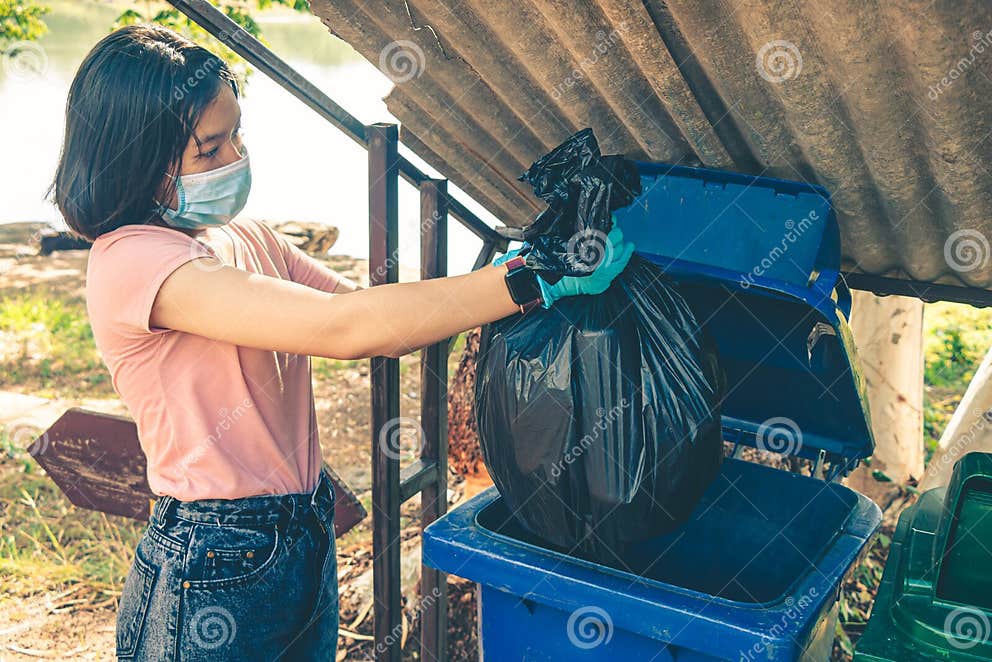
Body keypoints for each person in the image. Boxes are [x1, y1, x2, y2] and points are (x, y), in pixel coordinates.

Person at [52, 24, 634, 661]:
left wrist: (508, 272)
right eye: (209, 149)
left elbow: (374, 313)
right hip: (212, 553)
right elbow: (344, 331)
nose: (235, 159)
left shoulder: (244, 235)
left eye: (236, 135)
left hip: (302, 531)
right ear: (136, 161)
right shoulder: (134, 262)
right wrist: (530, 279)